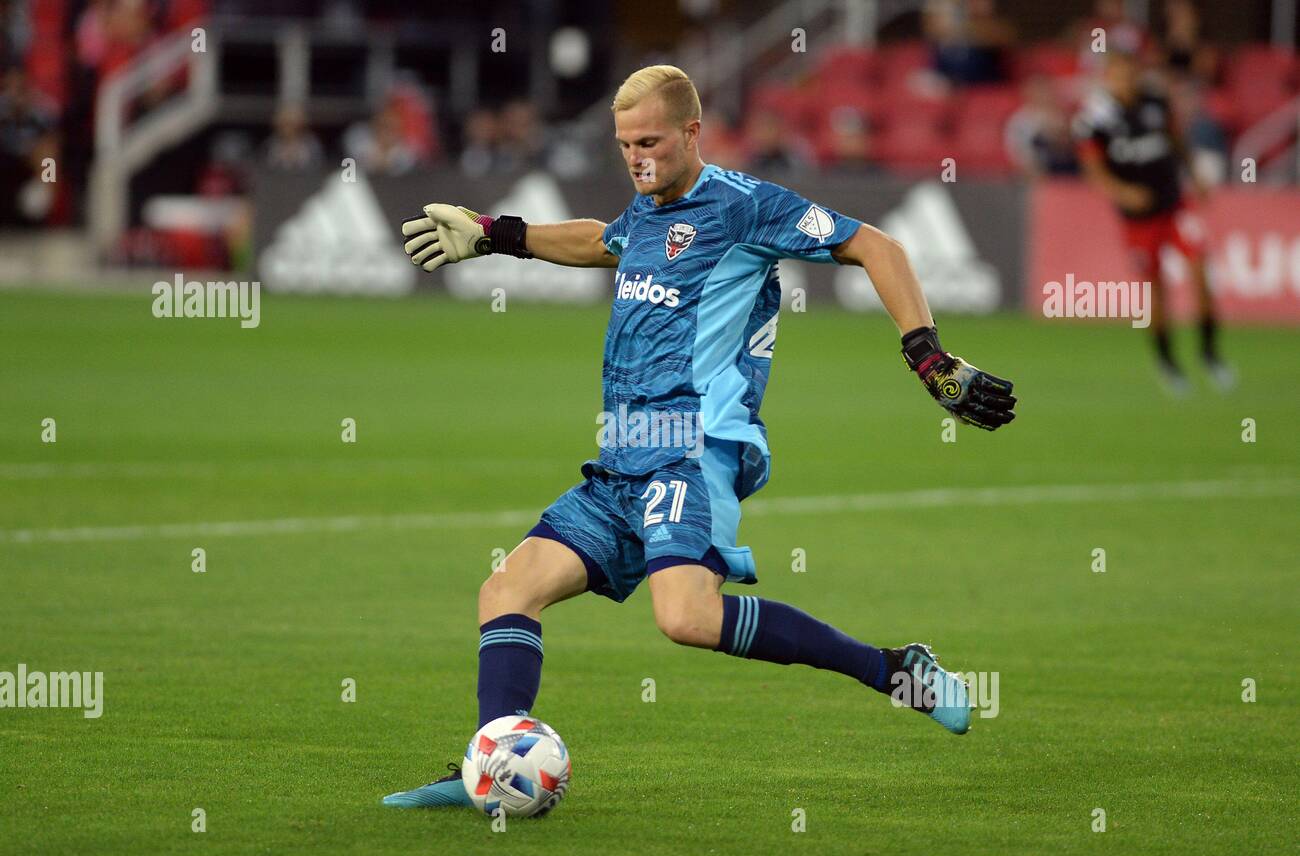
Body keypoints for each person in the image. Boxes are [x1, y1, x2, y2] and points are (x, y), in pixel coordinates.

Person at [385, 65, 1017, 809]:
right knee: (506, 590)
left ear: (692, 132)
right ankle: (494, 763)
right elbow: (605, 241)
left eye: (650, 140)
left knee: (685, 616)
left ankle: (898, 670)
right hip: (623, 454)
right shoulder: (648, 208)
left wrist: (928, 355)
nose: (636, 157)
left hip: (693, 445)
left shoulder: (746, 206)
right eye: (624, 144)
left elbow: (875, 245)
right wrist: (497, 234)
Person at [1073, 47, 1232, 392]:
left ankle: (1210, 355)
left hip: (1175, 207)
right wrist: (1123, 192)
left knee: (1200, 272)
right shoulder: (1094, 120)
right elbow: (1094, 171)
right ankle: (1168, 363)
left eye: (1130, 72)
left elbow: (1177, 142)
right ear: (1107, 77)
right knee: (1155, 290)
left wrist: (1195, 174)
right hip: (1138, 221)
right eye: (1117, 74)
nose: (1125, 79)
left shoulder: (1156, 103)